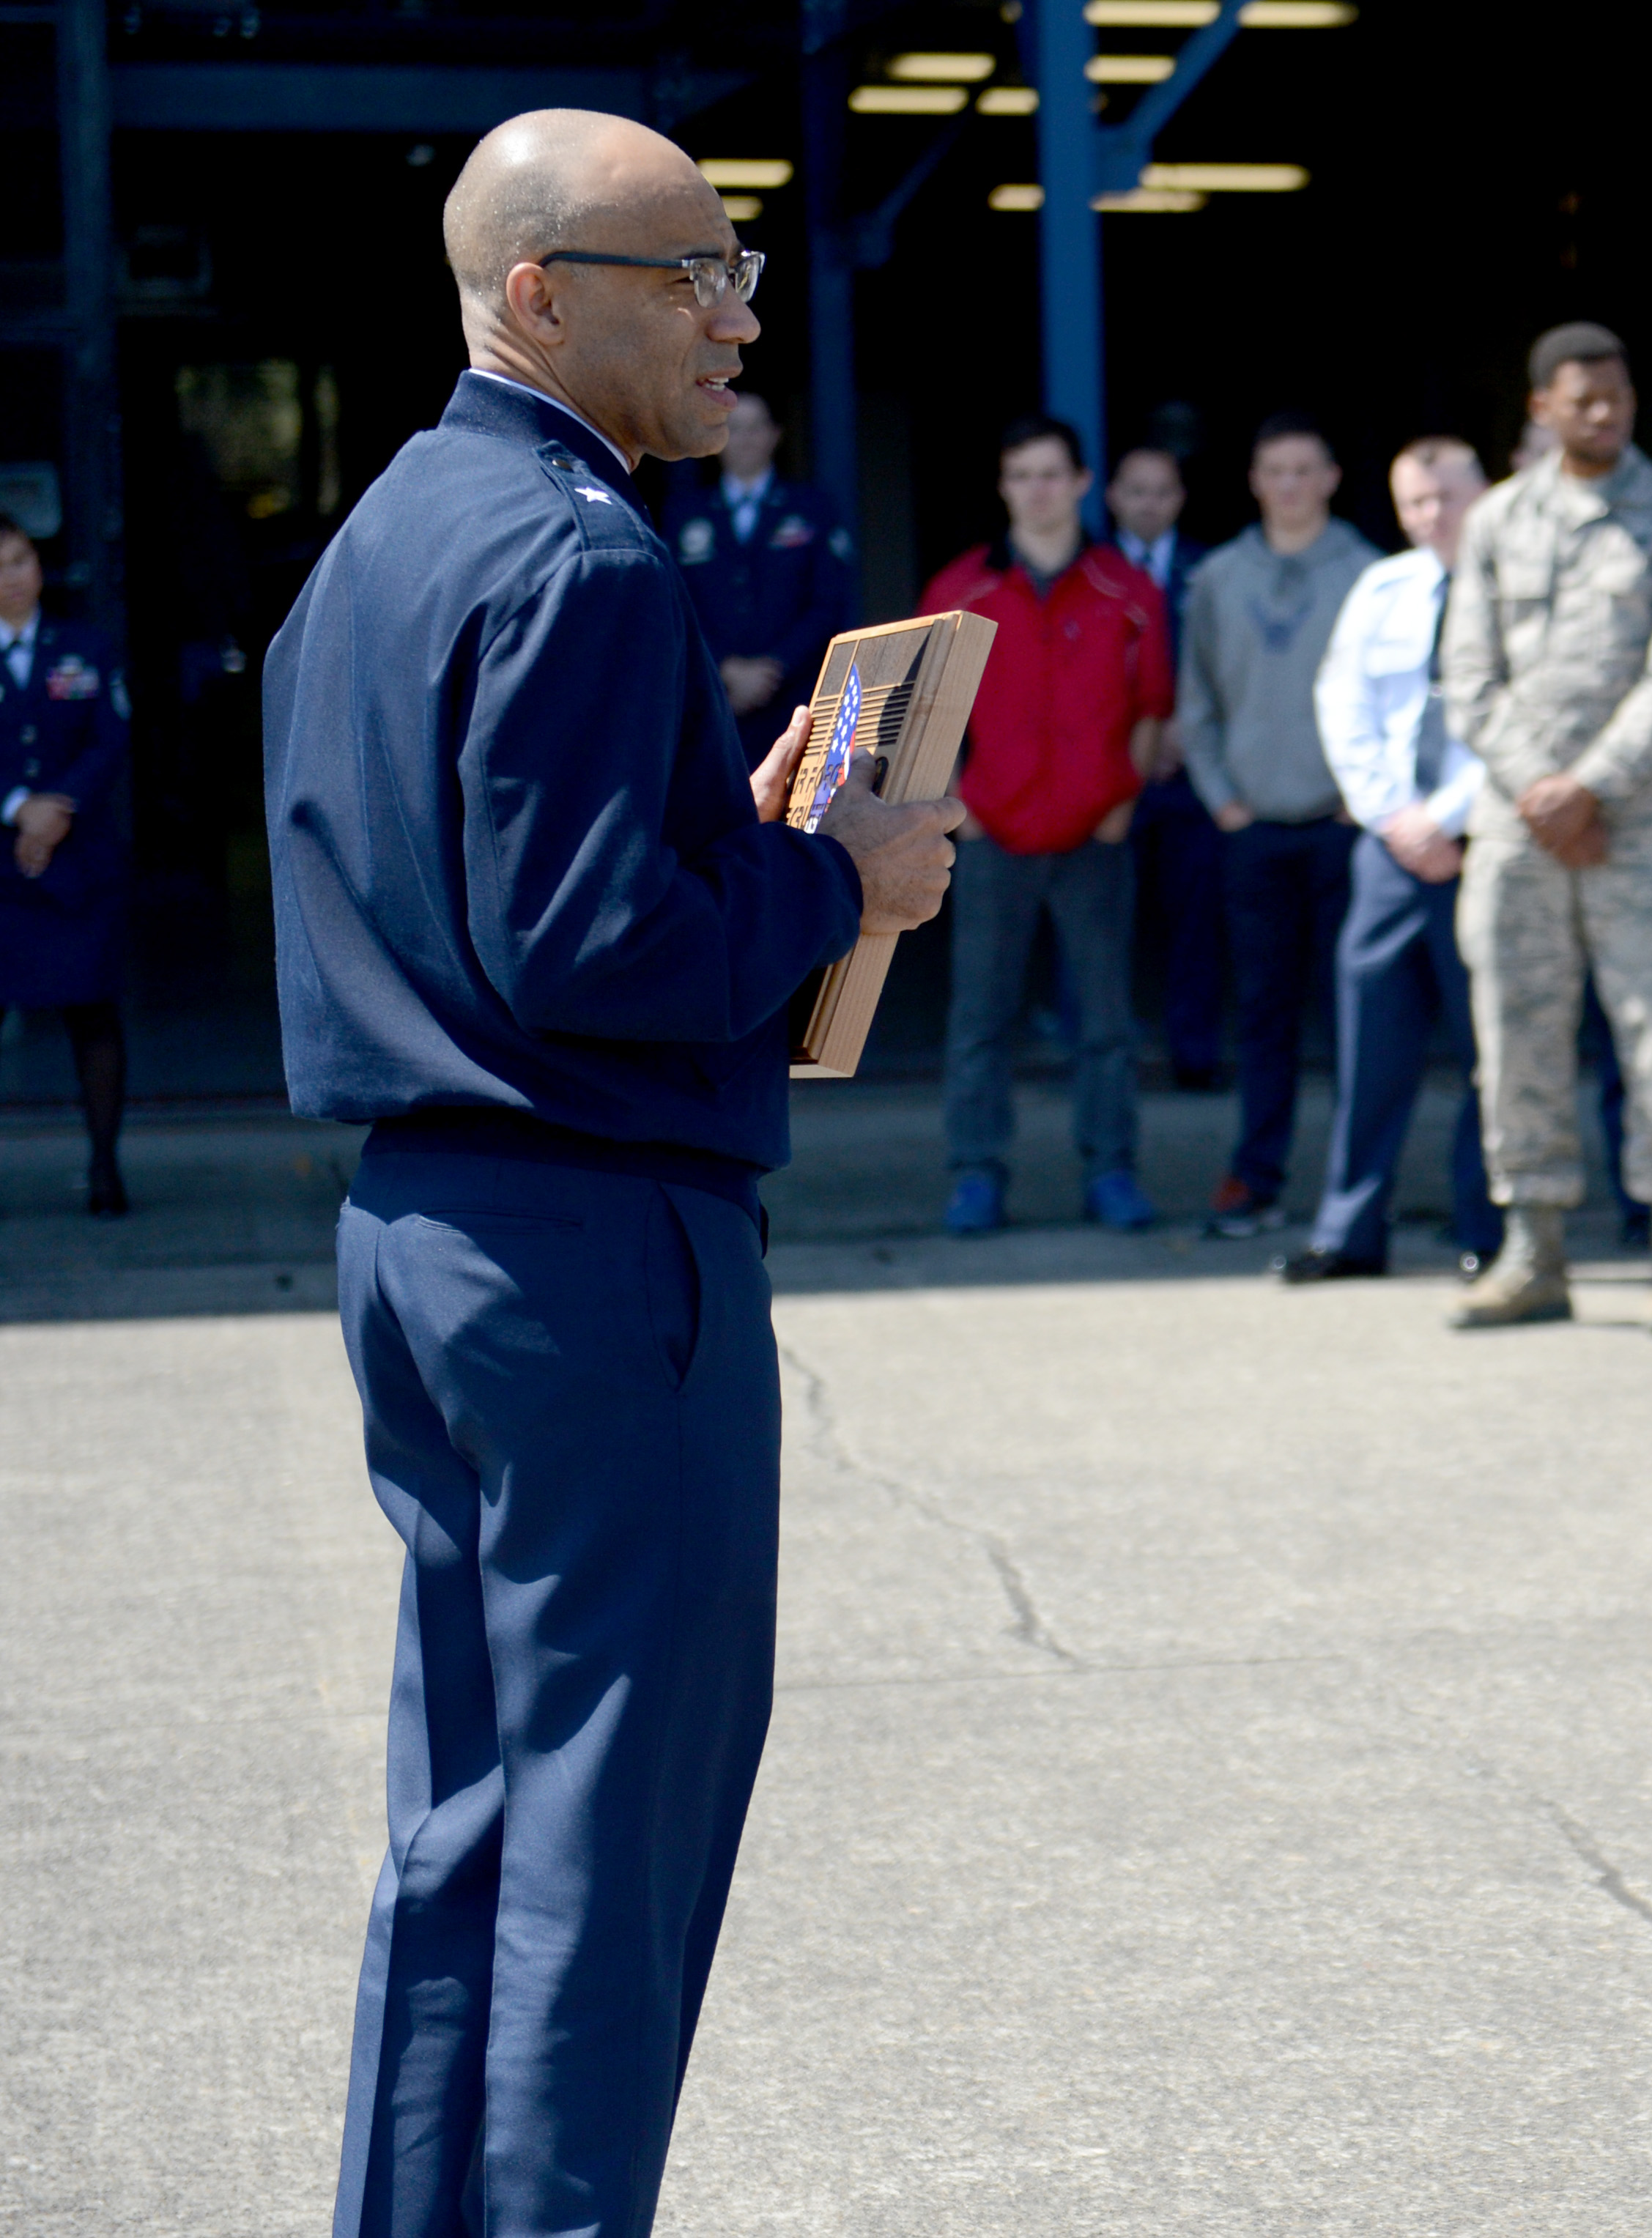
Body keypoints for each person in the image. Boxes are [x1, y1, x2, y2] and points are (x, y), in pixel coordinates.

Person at [260, 111, 961, 2238]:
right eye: (698, 276)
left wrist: (731, 833)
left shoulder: (386, 531)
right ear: (541, 294)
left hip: (425, 1229)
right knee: (606, 1832)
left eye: (739, 272)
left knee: (469, 1818)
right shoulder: (585, 555)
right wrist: (837, 880)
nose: (737, 318)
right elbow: (589, 948)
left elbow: (493, 890)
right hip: (589, 1247)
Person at [1442, 321, 1652, 1333]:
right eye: (1582, 400)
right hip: (1520, 831)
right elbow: (1467, 676)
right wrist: (1543, 790)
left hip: (1640, 832)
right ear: (1542, 408)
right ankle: (1534, 1254)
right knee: (1515, 1039)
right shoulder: (1495, 521)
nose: (1604, 413)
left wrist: (1592, 789)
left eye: (1617, 396)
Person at [917, 415, 1174, 1235]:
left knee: (1105, 1023)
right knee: (980, 1020)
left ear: (1081, 483)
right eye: (1021, 474)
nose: (1037, 490)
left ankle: (1111, 1171)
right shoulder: (960, 590)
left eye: (1051, 474)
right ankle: (975, 1175)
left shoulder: (1126, 589)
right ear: (1003, 486)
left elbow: (1153, 706)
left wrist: (1123, 806)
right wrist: (957, 809)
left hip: (1096, 837)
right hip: (993, 835)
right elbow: (925, 710)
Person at [1275, 437, 1506, 1283]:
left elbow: (1519, 720)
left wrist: (1444, 818)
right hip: (1388, 849)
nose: (1431, 515)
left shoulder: (1519, 590)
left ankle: (1487, 1230)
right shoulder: (1382, 587)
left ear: (1484, 494)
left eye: (1447, 497)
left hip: (1483, 843)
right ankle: (1350, 1232)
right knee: (1369, 1046)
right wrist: (1394, 816)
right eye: (1415, 501)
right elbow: (1342, 704)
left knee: (1490, 1051)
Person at [1179, 413, 1379, 1237]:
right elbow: (1196, 702)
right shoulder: (1219, 578)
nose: (1290, 484)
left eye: (1305, 469)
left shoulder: (1370, 574)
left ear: (1331, 477)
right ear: (1255, 482)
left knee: (1357, 1018)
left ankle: (1355, 1190)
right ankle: (1257, 1178)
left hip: (1345, 827)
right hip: (1253, 828)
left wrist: (1365, 798)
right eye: (1275, 471)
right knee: (1263, 1015)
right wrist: (1223, 799)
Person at [0, 513, 132, 1215]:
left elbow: (110, 739)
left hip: (78, 867)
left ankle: (105, 1169)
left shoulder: (84, 647)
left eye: (20, 560)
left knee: (93, 1014)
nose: (12, 578)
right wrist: (18, 806)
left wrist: (58, 808)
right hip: (4, 872)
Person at [1111, 444, 1228, 1089]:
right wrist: (1139, 736)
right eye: (1136, 490)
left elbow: (1227, 665)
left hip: (1190, 772)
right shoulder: (1092, 570)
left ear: (1179, 499)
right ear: (1112, 497)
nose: (1148, 504)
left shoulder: (1210, 570)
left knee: (1195, 922)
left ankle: (1194, 1050)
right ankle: (1103, 1051)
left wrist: (1186, 729)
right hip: (1111, 773)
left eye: (1161, 491)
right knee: (1105, 919)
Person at [669, 385, 853, 731]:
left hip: (798, 701)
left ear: (775, 434)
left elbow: (829, 602)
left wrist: (774, 668)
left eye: (755, 427)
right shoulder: (685, 515)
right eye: (734, 428)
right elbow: (676, 605)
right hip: (715, 703)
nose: (745, 439)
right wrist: (726, 668)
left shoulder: (812, 508)